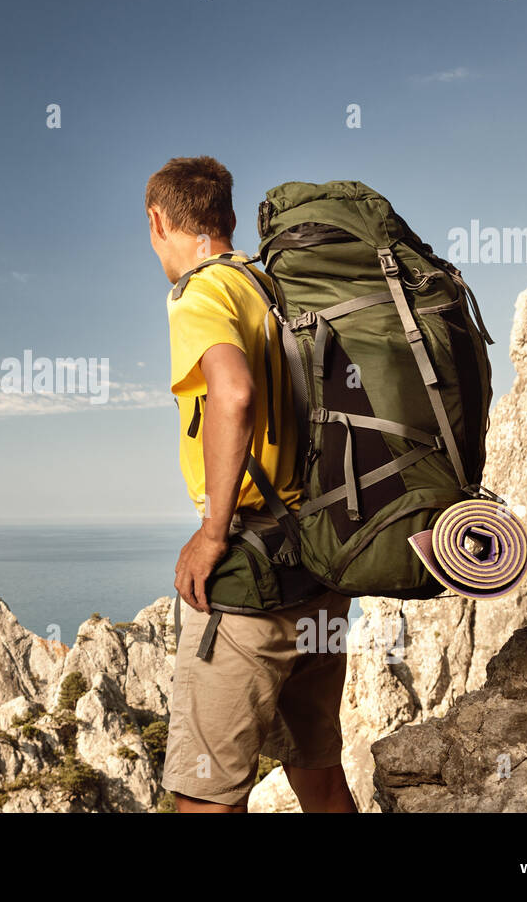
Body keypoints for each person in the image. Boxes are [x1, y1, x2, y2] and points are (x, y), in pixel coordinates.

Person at [146, 156, 357, 813]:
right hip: (323, 571)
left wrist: (212, 534)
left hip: (252, 582)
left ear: (158, 222)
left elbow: (233, 394)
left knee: (205, 797)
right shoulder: (278, 289)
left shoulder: (201, 292)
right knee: (318, 776)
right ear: (230, 220)